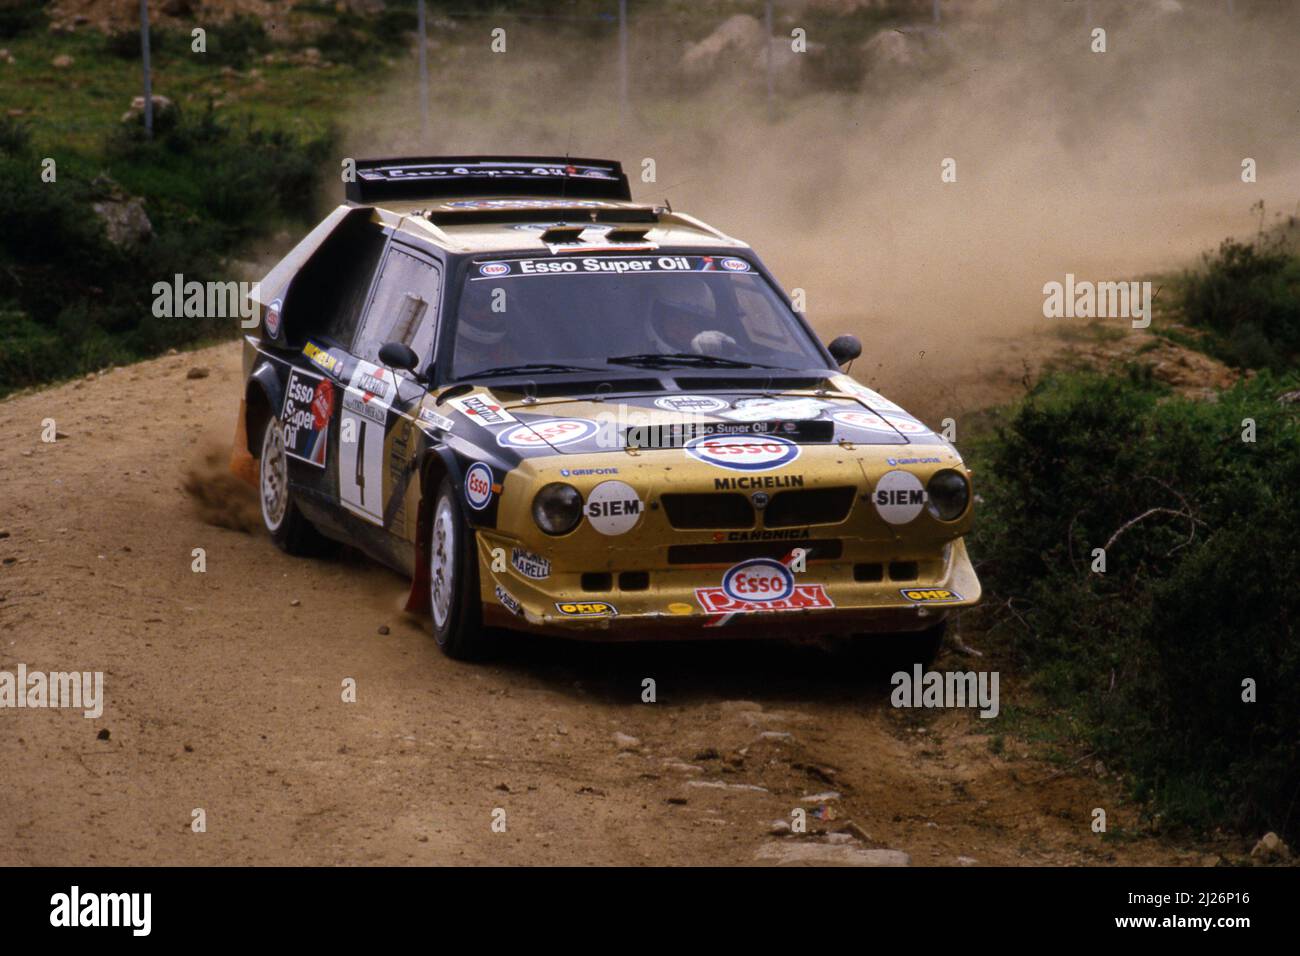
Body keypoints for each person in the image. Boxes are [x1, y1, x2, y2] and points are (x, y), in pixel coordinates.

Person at [647, 280, 737, 357]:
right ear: (659, 321)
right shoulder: (637, 356)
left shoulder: (719, 362)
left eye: (692, 322)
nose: (684, 329)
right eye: (677, 320)